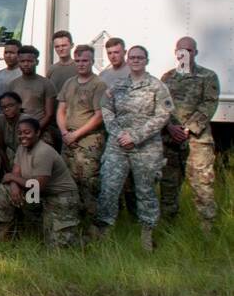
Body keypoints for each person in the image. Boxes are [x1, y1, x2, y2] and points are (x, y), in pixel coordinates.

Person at [90, 46, 174, 251]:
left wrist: (135, 136)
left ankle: (147, 234)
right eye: (133, 57)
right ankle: (104, 231)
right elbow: (106, 108)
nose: (136, 60)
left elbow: (163, 115)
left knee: (145, 191)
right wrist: (119, 134)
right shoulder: (118, 85)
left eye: (140, 57)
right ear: (128, 60)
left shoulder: (157, 86)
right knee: (109, 188)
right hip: (117, 145)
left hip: (146, 147)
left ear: (146, 60)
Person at [159, 36, 221, 234]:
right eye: (181, 50)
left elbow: (209, 104)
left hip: (197, 141)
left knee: (202, 186)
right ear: (176, 52)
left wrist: (188, 128)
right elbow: (161, 107)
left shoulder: (208, 76)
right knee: (168, 187)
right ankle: (168, 231)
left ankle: (207, 233)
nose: (184, 54)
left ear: (196, 52)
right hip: (170, 141)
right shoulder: (167, 78)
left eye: (189, 50)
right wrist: (169, 127)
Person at [0, 117, 81, 247]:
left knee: (58, 247)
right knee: (4, 189)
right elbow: (16, 173)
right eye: (20, 133)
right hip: (37, 193)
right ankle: (2, 239)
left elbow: (38, 185)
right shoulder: (21, 148)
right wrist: (13, 184)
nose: (23, 136)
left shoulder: (43, 151)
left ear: (37, 133)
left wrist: (12, 178)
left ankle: (84, 238)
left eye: (27, 132)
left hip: (60, 196)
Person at [56, 44, 106, 224]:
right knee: (68, 183)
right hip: (67, 141)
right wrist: (63, 132)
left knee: (88, 184)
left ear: (92, 61)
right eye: (77, 61)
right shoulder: (69, 83)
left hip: (88, 143)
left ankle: (91, 227)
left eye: (85, 60)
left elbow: (99, 116)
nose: (81, 64)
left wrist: (76, 135)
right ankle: (72, 223)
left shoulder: (98, 84)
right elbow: (61, 109)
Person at [9, 46, 57, 143]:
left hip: (41, 132)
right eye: (22, 61)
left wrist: (34, 130)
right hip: (18, 133)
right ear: (18, 63)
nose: (26, 64)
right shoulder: (13, 84)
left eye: (30, 61)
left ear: (37, 62)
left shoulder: (46, 84)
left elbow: (49, 114)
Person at [0, 92, 23, 171]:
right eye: (4, 107)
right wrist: (8, 169)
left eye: (11, 105)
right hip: (12, 156)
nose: (7, 109)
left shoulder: (26, 120)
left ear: (19, 105)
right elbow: (0, 147)